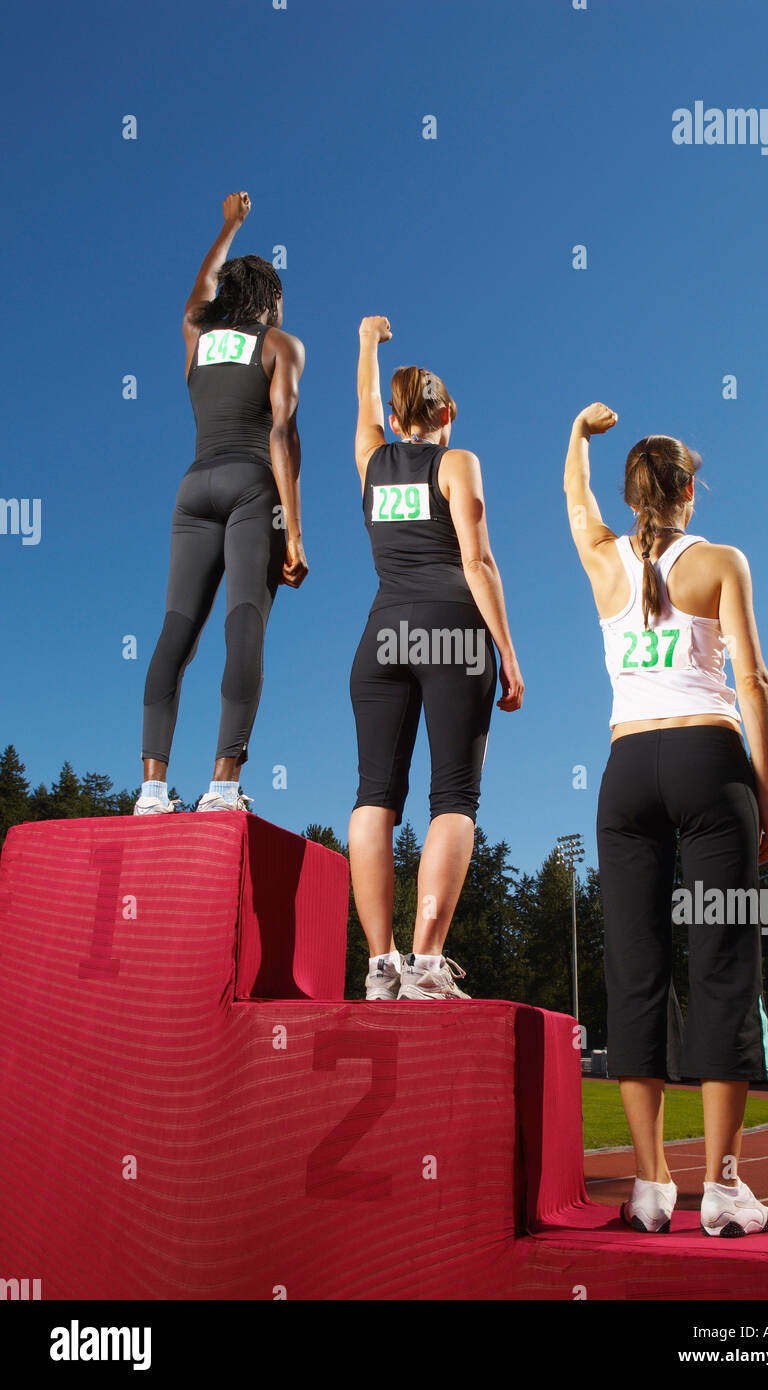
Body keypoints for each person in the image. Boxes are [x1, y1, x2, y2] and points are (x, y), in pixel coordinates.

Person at [564, 402, 768, 1238]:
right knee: (723, 963)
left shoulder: (600, 559)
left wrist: (577, 436)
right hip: (706, 763)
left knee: (634, 968)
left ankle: (651, 1186)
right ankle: (721, 1188)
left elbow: (571, 498)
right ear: (688, 490)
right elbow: (755, 682)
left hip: (624, 775)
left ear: (630, 499)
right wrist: (761, 795)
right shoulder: (720, 560)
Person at [350, 316, 524, 1000]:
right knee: (452, 795)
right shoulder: (458, 462)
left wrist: (366, 345)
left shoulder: (370, 457)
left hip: (382, 633)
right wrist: (508, 654)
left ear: (394, 420)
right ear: (446, 413)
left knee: (373, 796)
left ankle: (379, 965)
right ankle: (425, 965)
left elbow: (363, 409)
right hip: (452, 626)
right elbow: (477, 560)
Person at [134, 192, 307, 815]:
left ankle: (152, 789)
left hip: (193, 487)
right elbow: (281, 434)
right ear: (266, 300)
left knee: (175, 632)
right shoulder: (279, 346)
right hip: (251, 486)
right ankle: (223, 785)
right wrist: (293, 532)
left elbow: (199, 289)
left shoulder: (196, 336)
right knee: (244, 627)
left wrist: (228, 225)